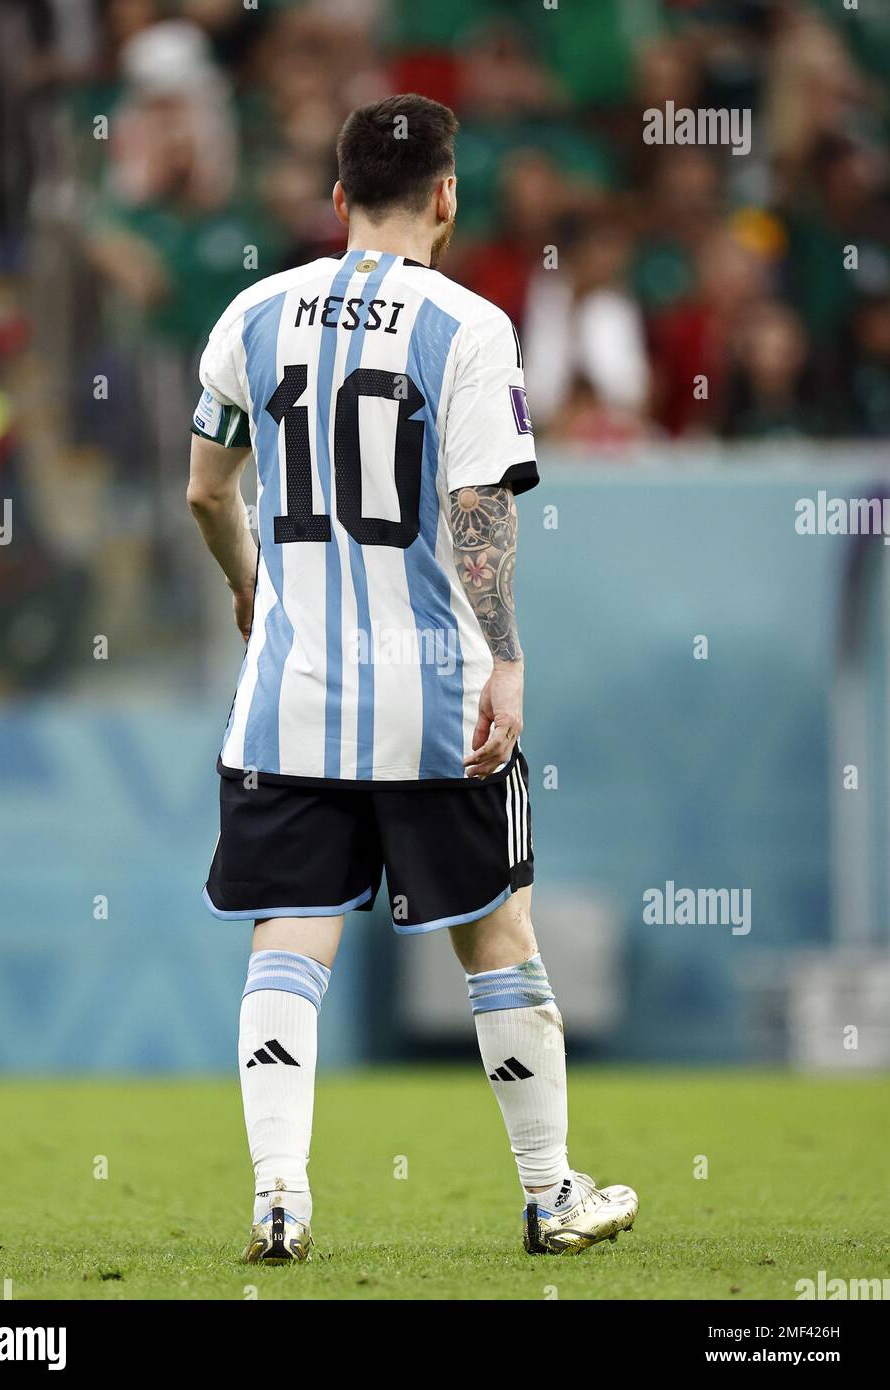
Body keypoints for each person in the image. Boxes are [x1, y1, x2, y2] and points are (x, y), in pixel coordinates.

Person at [186, 93, 638, 1263]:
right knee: (497, 934)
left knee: (290, 937)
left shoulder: (252, 313)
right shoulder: (471, 326)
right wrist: (507, 657)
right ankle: (549, 1194)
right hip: (432, 697)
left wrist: (248, 585)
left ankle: (279, 1194)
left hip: (288, 702)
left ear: (338, 200)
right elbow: (477, 507)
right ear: (447, 194)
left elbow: (204, 487)